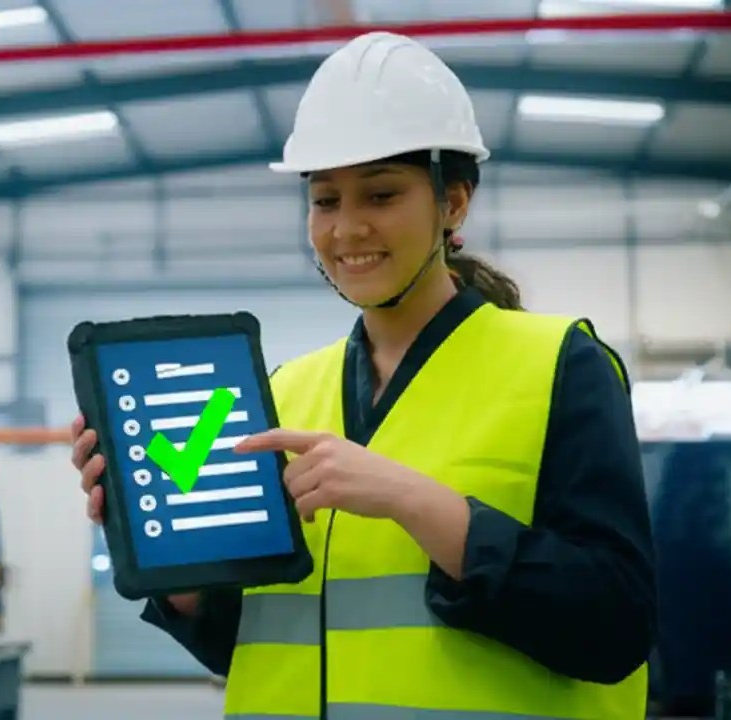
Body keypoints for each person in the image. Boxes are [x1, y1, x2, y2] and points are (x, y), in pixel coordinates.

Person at [70, 32, 656, 720]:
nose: (347, 229)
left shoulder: (559, 366)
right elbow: (253, 644)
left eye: (380, 195)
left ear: (454, 203)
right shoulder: (285, 392)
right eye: (325, 201)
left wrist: (418, 503)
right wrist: (180, 578)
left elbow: (617, 624)